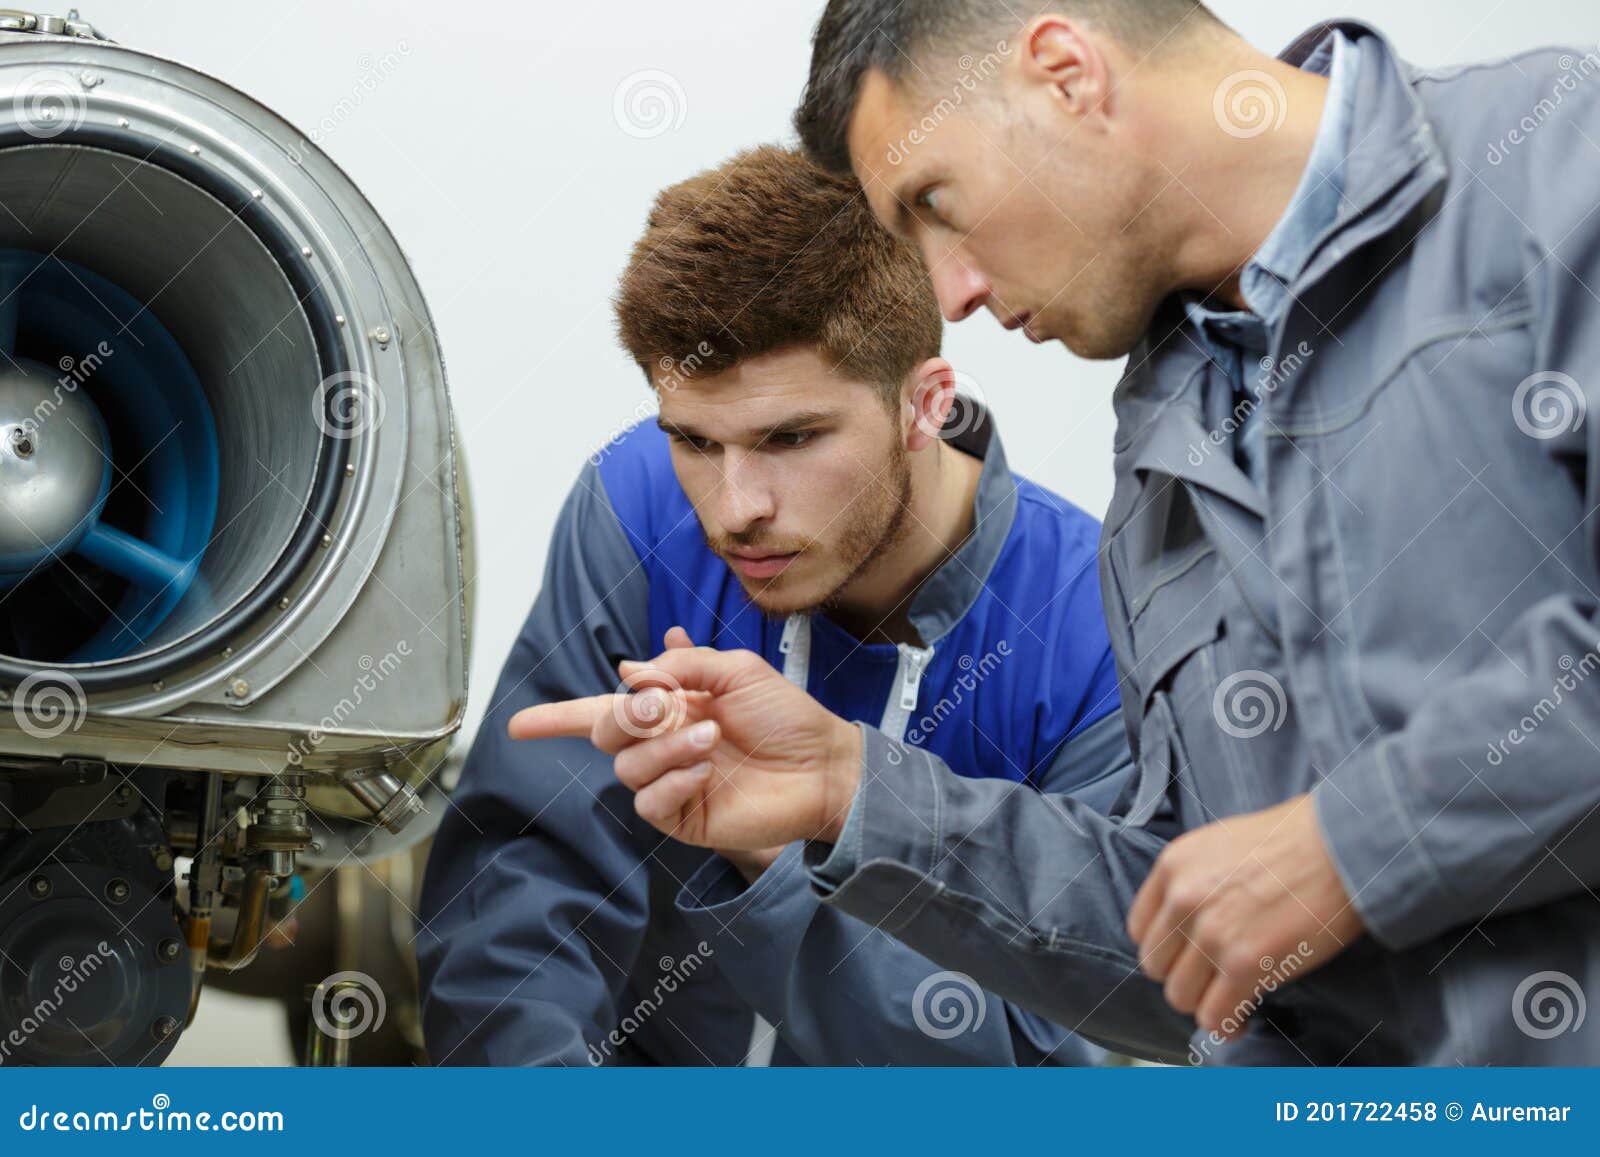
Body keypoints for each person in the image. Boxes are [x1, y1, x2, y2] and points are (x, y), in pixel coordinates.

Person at [514, 4, 1600, 1065]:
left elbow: (1315, 865)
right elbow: (1193, 938)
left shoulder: (1559, 163)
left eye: (936, 203)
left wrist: (1353, 844)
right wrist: (850, 788)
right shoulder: (1164, 445)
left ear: (1064, 72)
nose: (953, 290)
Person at [416, 145, 1150, 1066]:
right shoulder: (638, 502)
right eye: (693, 438)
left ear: (923, 404)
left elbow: (1039, 1059)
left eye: (790, 437)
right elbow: (521, 892)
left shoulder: (1100, 622)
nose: (734, 511)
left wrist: (776, 861)